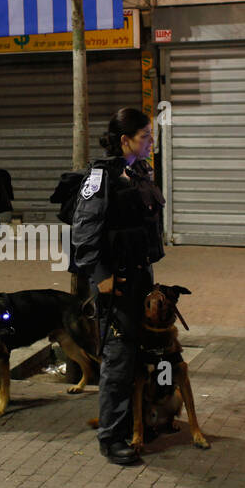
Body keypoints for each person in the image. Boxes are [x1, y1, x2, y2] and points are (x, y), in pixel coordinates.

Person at [72, 107, 164, 466]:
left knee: (139, 354)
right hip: (114, 282)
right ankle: (111, 438)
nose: (150, 142)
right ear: (125, 140)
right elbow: (83, 230)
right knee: (117, 359)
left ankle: (136, 424)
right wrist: (100, 274)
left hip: (139, 275)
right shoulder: (101, 176)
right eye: (145, 136)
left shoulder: (140, 171)